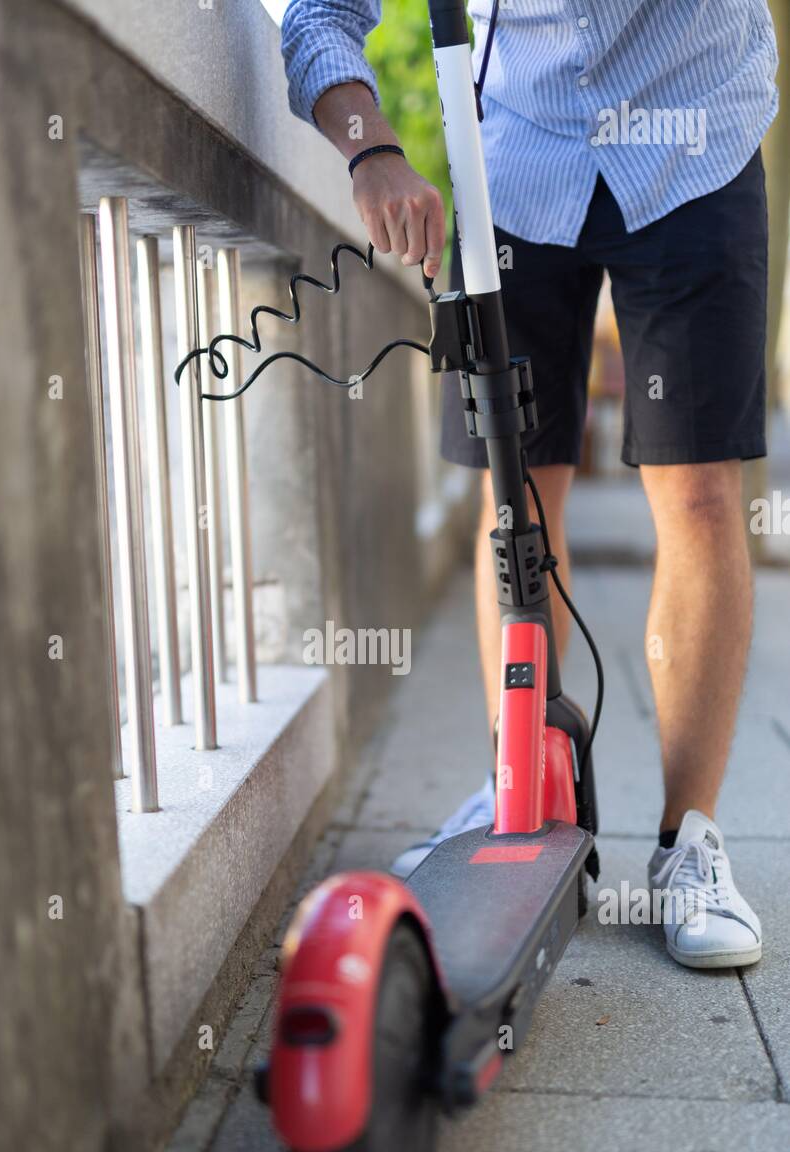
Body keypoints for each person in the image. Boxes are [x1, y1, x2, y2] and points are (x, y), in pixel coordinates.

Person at [280, 0, 778, 969]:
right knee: (513, 490)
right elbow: (317, 15)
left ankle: (689, 842)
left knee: (699, 490)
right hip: (512, 159)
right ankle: (519, 786)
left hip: (692, 136)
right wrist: (366, 144)